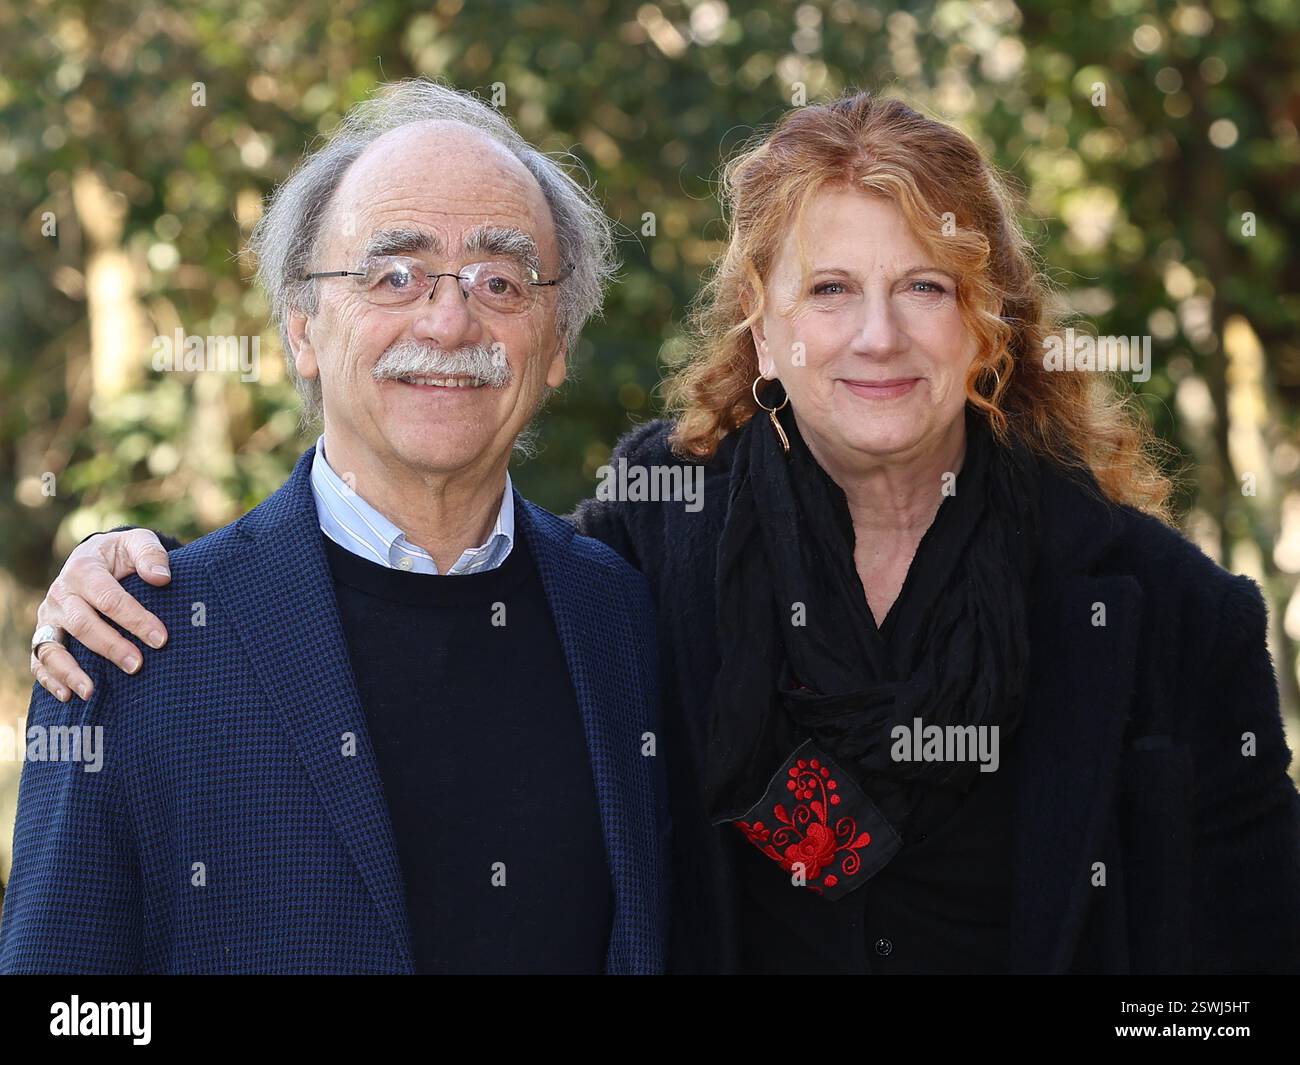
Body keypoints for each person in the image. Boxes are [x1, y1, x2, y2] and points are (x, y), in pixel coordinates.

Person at [26, 91, 1300, 974]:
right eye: (831, 289)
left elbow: (1241, 963)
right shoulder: (658, 553)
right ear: (764, 322)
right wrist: (112, 565)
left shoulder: (1154, 611)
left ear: (992, 324)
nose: (877, 335)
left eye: (926, 289)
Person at [3, 81, 667, 974]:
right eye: (394, 274)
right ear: (303, 326)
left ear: (555, 344)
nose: (447, 317)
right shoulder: (129, 644)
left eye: (501, 280)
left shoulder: (625, 620)